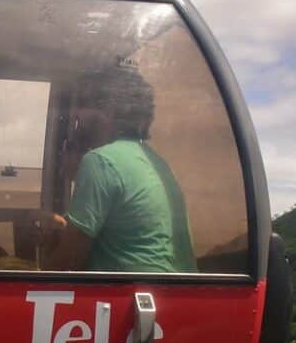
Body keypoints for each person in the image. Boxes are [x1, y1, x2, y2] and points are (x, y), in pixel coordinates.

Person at [41, 68, 196, 273]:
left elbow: (68, 263)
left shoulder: (101, 161)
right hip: (171, 295)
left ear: (110, 111)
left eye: (83, 105)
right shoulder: (156, 162)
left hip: (127, 296)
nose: (75, 114)